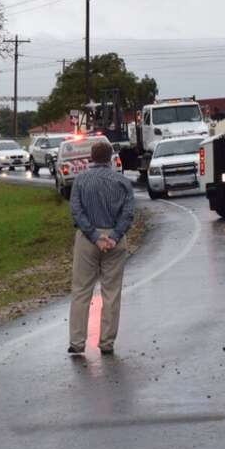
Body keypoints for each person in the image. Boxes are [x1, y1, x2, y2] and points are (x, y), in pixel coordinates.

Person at [68, 140, 135, 355]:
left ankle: (77, 342)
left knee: (81, 291)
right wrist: (113, 237)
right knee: (111, 292)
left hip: (88, 238)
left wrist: (95, 236)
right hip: (115, 238)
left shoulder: (80, 181)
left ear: (91, 158)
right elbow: (128, 214)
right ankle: (106, 342)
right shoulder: (123, 183)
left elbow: (77, 212)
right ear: (111, 158)